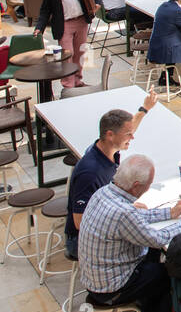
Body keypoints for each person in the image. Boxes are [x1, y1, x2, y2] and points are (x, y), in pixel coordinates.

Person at [78, 154, 181, 312]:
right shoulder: (123, 213)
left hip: (93, 278)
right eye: (149, 185)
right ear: (137, 186)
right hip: (110, 288)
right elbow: (156, 238)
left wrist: (170, 213)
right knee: (172, 275)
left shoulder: (104, 193)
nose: (149, 188)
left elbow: (135, 218)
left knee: (155, 260)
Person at [66, 91, 159, 258]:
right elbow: (80, 222)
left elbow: (129, 128)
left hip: (103, 220)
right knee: (147, 246)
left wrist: (145, 109)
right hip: (80, 241)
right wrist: (123, 211)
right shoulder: (91, 173)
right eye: (128, 135)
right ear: (110, 135)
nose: (132, 137)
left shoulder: (107, 149)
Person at [34, 0, 101, 88]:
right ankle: (68, 85)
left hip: (82, 20)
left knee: (80, 53)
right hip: (64, 23)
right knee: (67, 56)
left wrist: (98, 3)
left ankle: (77, 81)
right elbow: (45, 8)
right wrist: (39, 27)